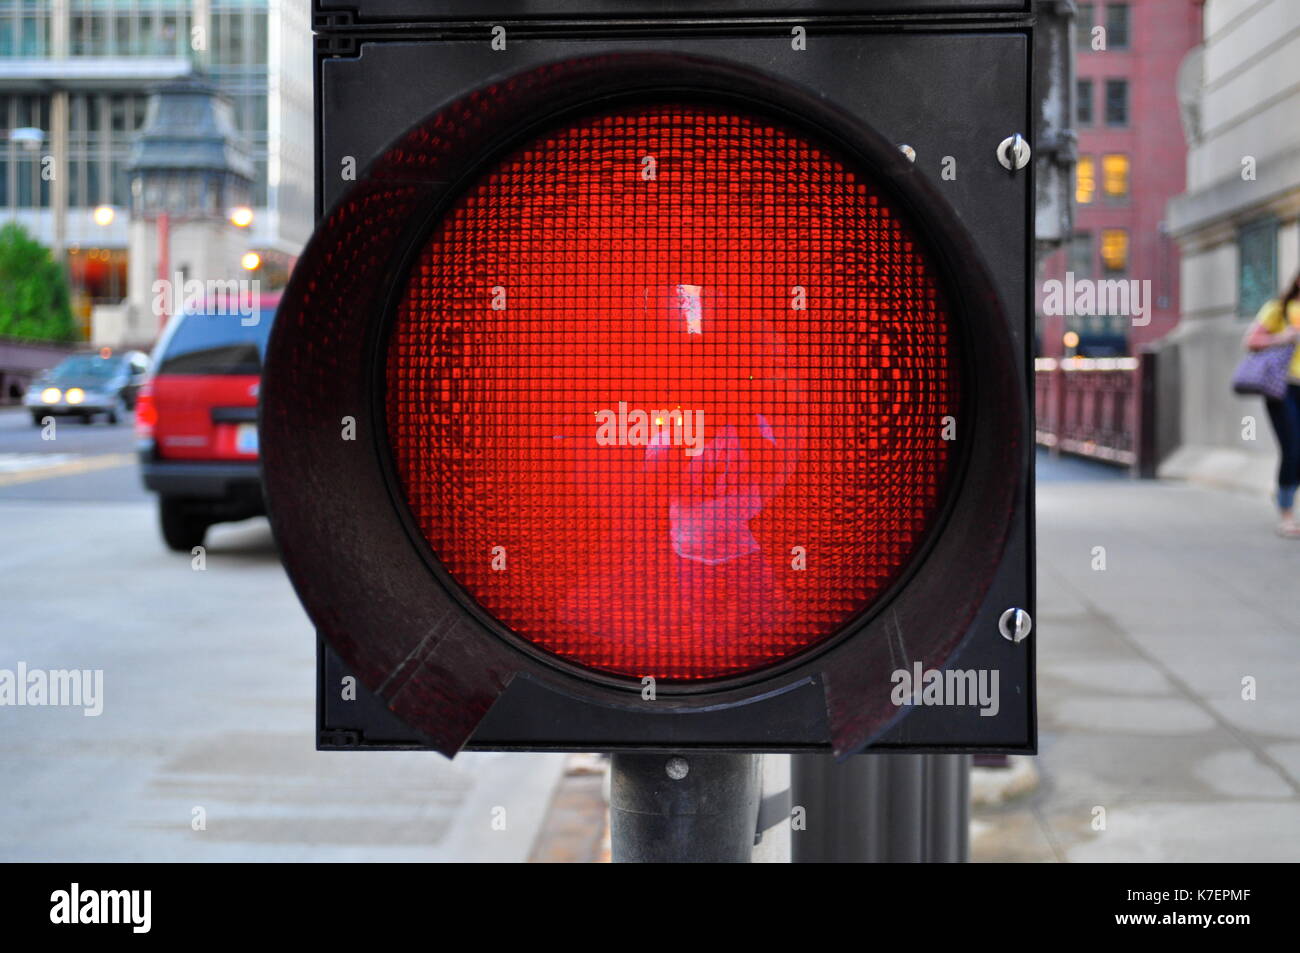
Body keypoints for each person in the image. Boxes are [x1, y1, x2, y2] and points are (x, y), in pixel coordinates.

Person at [1245, 271, 1300, 537]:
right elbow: (1252, 341)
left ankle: (1282, 491)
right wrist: (1284, 337)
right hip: (1284, 388)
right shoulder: (1279, 309)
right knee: (1293, 448)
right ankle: (1287, 515)